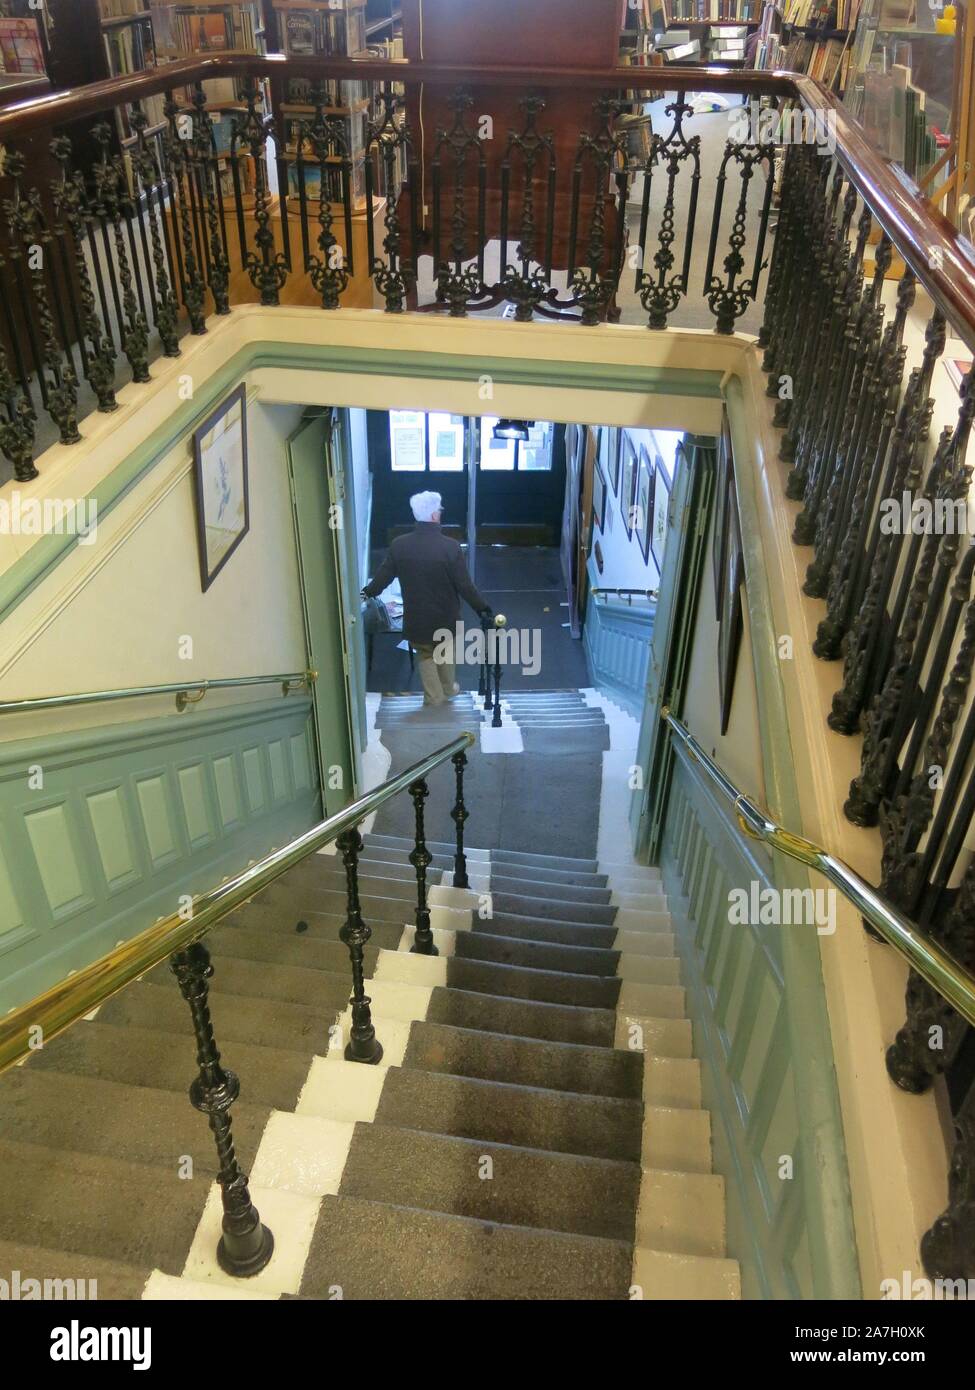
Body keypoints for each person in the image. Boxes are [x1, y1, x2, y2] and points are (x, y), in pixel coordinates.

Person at [362, 491, 493, 706]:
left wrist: (367, 592)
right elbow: (465, 586)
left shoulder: (399, 545)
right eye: (439, 510)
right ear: (434, 516)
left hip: (416, 618)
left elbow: (382, 578)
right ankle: (449, 689)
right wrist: (482, 608)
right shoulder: (450, 547)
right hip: (445, 617)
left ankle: (433, 698)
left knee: (425, 654)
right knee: (445, 651)